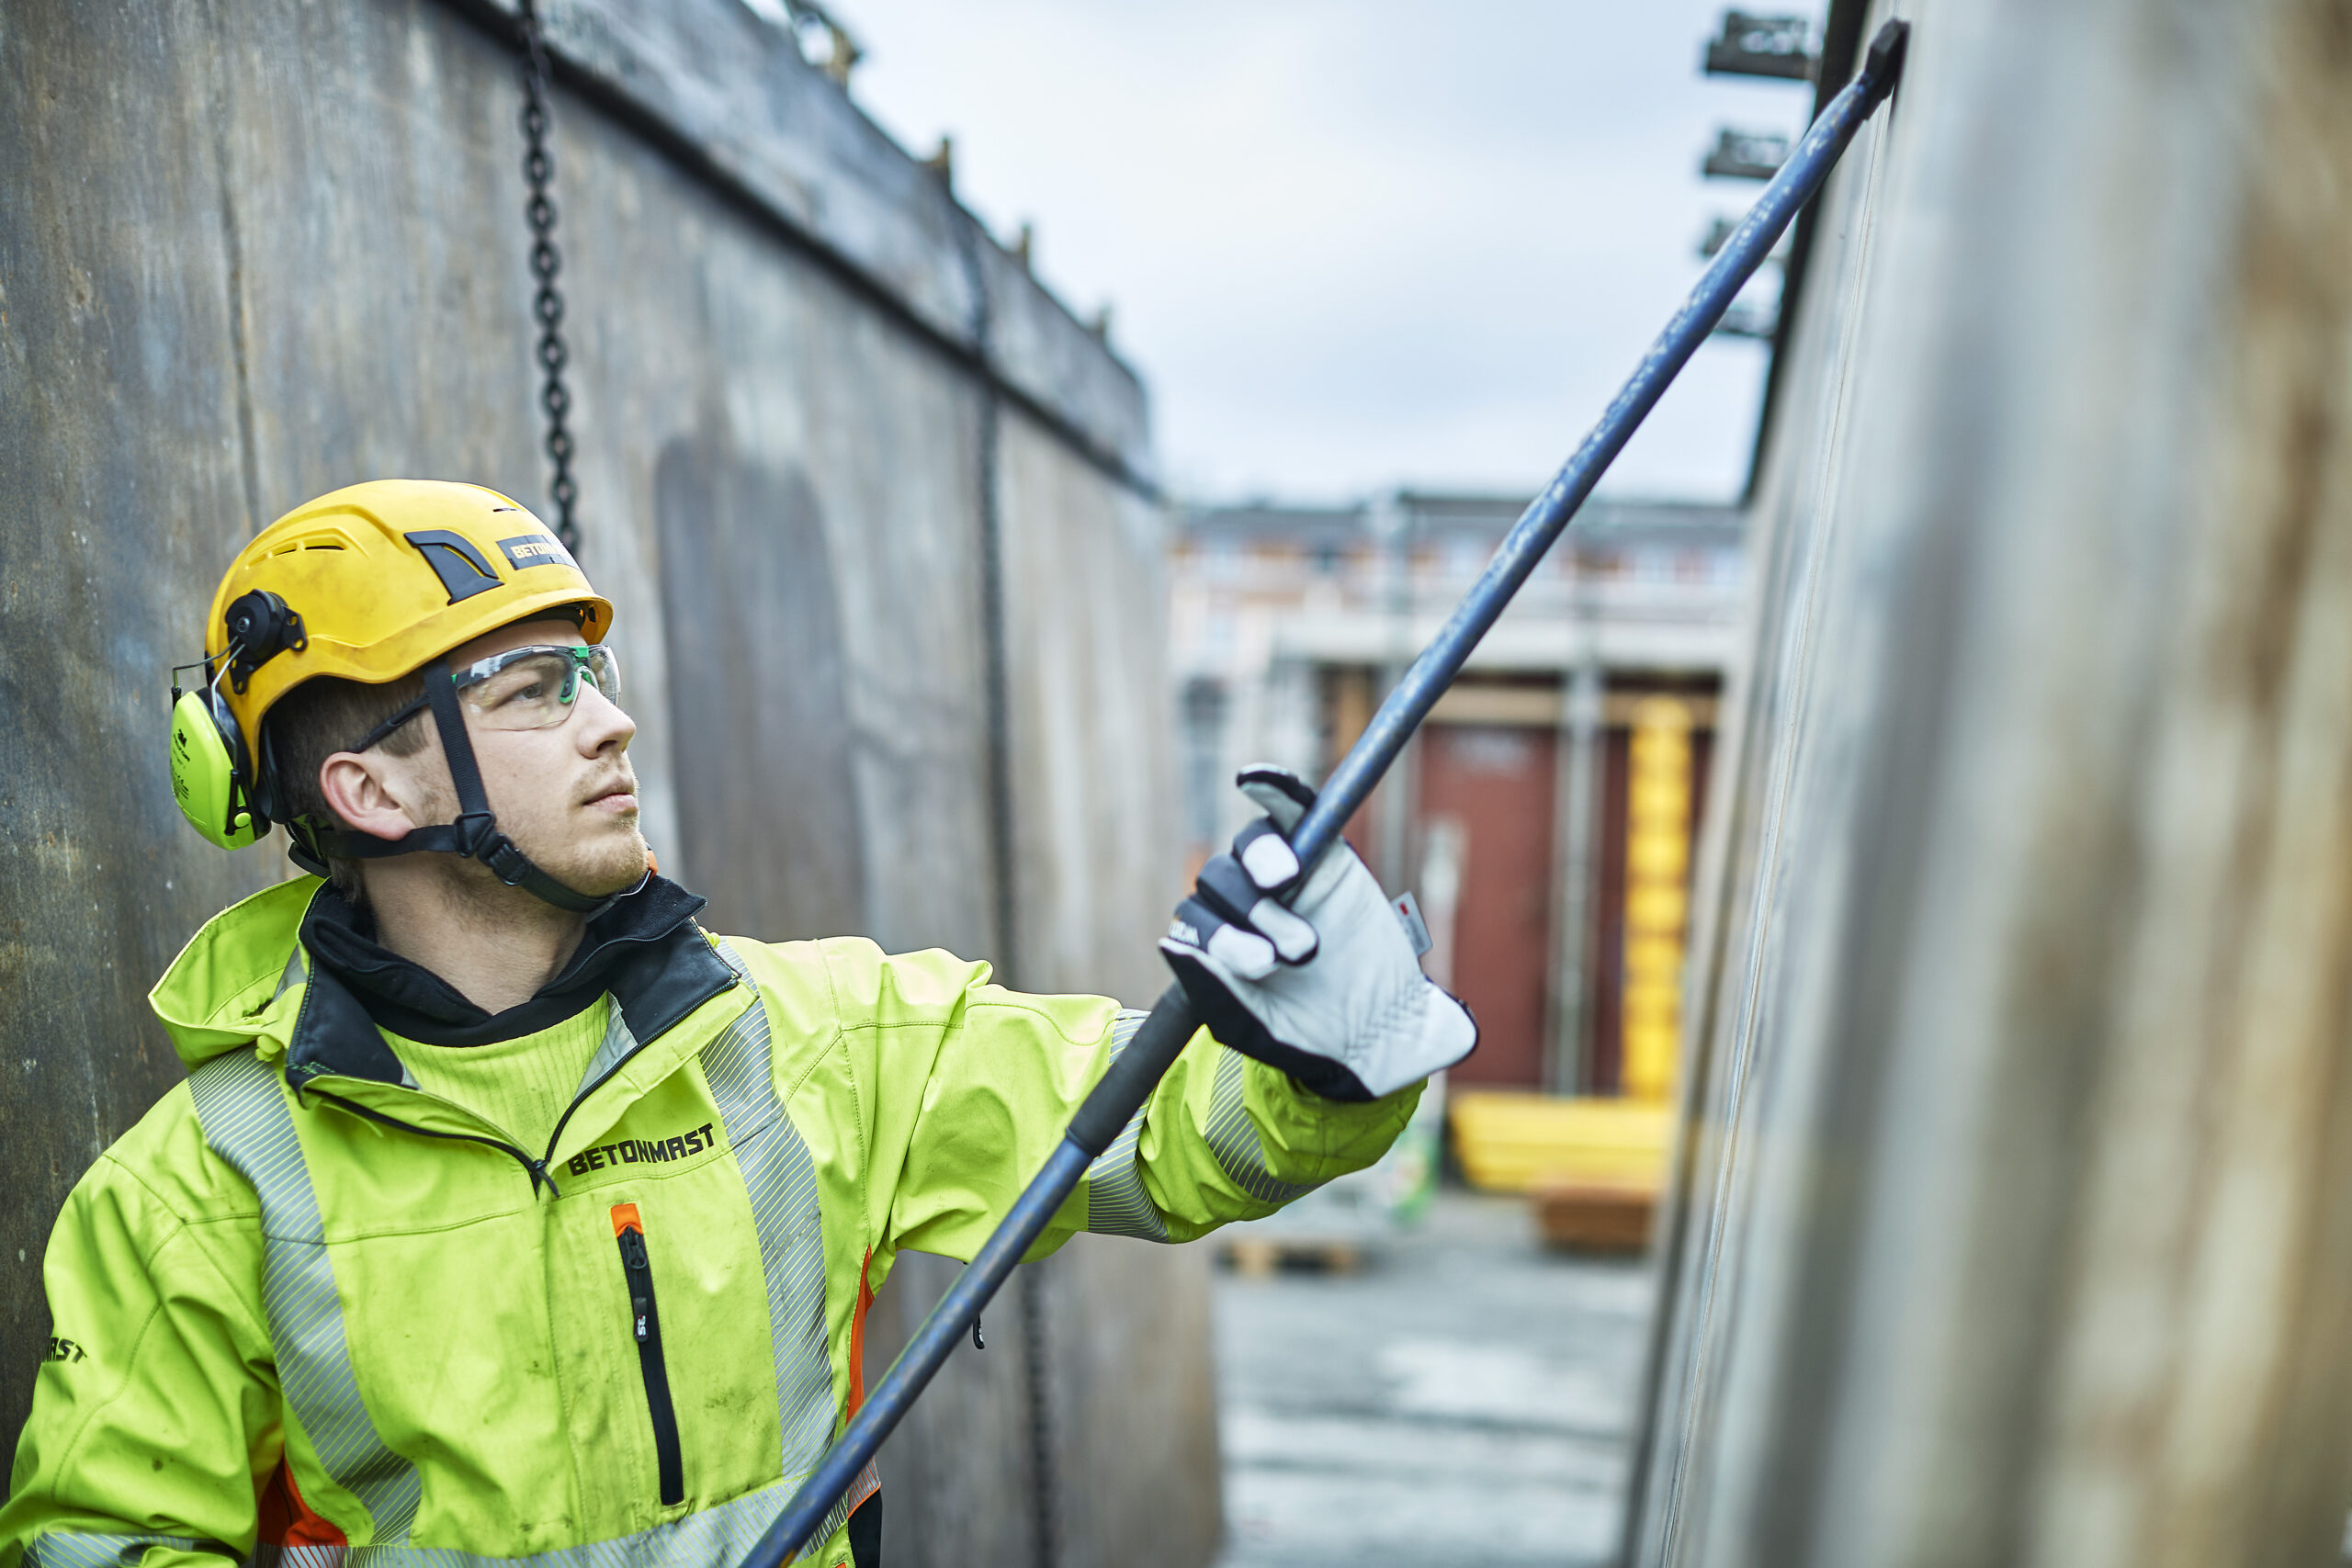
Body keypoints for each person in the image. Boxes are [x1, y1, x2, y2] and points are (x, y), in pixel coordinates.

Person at [0, 479, 1475, 1566]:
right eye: (532, 694)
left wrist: (1318, 1044)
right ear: (375, 793)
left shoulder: (811, 1042)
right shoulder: (199, 1193)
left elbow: (1167, 1135)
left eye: (594, 675)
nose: (608, 723)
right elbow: (104, 1544)